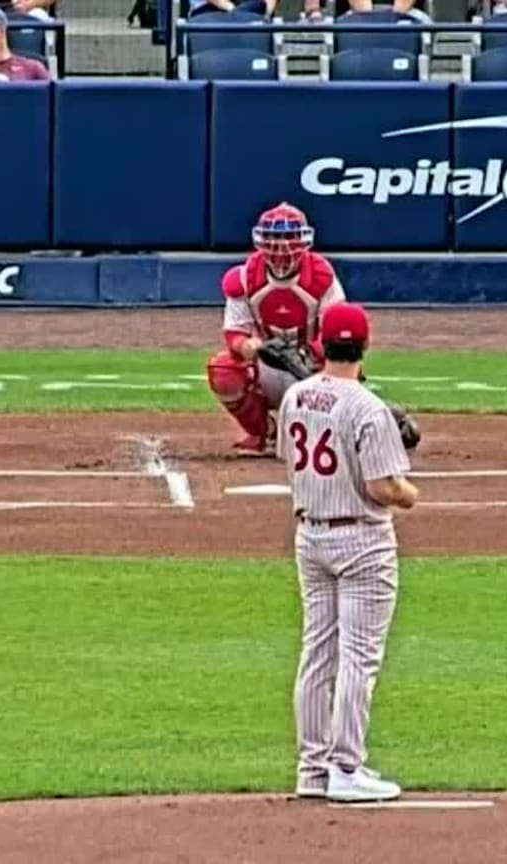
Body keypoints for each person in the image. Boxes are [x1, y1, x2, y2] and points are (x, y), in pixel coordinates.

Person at [276, 302, 418, 803]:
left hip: (310, 534)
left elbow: (289, 461)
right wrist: (411, 492)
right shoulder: (367, 408)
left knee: (318, 653)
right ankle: (345, 767)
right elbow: (383, 487)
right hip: (362, 540)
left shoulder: (294, 395)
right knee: (358, 657)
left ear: (321, 345)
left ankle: (311, 768)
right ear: (364, 345)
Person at [205, 202, 345, 456]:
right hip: (267, 363)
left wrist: (309, 354)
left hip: (311, 367)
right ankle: (264, 432)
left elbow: (336, 332)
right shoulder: (245, 277)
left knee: (347, 369)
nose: (282, 249)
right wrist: (250, 347)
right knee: (224, 369)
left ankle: (331, 431)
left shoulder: (322, 276)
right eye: (274, 239)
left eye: (289, 238)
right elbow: (234, 334)